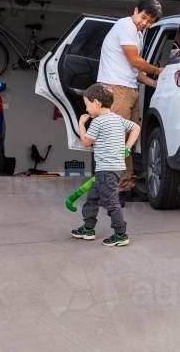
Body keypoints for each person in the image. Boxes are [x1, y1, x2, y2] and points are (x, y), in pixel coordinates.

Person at [96, 0, 163, 202]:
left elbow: (134, 71)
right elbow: (135, 60)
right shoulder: (125, 25)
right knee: (114, 141)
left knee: (127, 142)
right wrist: (158, 70)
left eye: (150, 21)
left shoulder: (138, 33)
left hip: (129, 89)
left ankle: (124, 187)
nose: (145, 23)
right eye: (143, 17)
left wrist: (154, 83)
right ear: (135, 10)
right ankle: (109, 191)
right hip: (116, 90)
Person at [70, 83, 141, 247]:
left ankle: (120, 233)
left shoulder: (97, 122)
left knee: (110, 202)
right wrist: (127, 148)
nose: (87, 110)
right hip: (115, 168)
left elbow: (86, 142)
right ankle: (88, 228)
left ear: (96, 102)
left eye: (87, 105)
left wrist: (81, 124)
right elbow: (136, 128)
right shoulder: (118, 119)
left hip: (105, 170)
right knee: (93, 198)